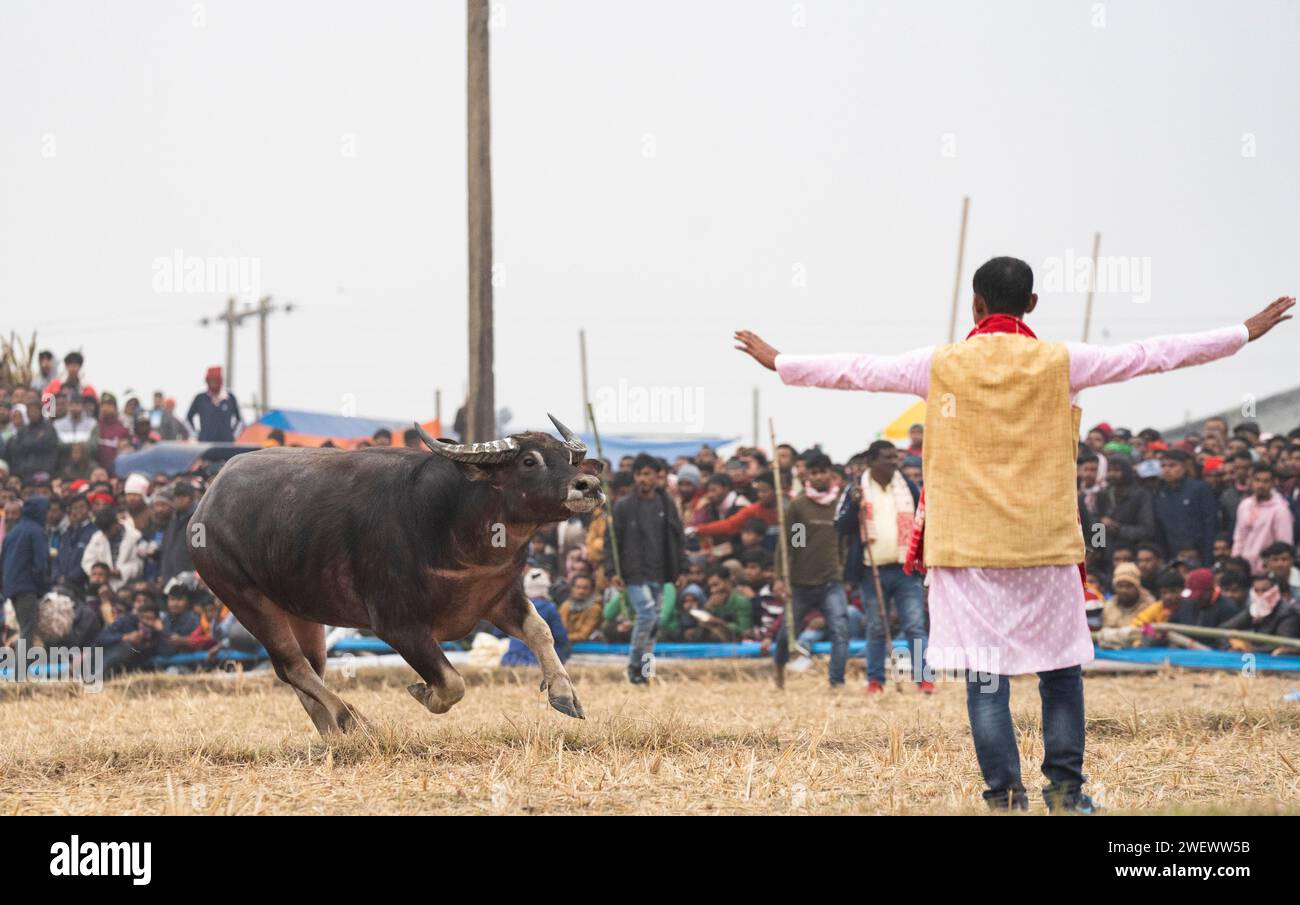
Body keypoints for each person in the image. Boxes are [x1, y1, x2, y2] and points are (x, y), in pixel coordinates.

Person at [738, 256, 1293, 813]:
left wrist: (781, 362)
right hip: (1043, 542)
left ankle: (1004, 797)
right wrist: (1241, 333)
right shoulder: (1062, 361)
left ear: (975, 305)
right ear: (1031, 305)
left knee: (986, 680)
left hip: (966, 548)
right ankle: (1065, 792)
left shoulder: (938, 365)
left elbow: (856, 369)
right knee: (1058, 672)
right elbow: (1153, 354)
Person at [835, 440, 926, 693]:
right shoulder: (855, 490)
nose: (894, 462)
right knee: (876, 627)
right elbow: (841, 527)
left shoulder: (906, 486)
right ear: (873, 461)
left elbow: (922, 518)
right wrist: (855, 506)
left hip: (906, 569)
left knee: (915, 625)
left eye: (895, 457)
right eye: (887, 458)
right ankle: (876, 680)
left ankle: (924, 678)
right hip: (870, 570)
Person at [604, 452, 687, 684]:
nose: (643, 479)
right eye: (639, 474)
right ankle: (633, 666)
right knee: (647, 614)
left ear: (656, 476)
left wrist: (682, 569)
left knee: (654, 624)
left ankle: (646, 672)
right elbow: (611, 541)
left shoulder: (666, 504)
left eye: (648, 474)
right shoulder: (623, 506)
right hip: (633, 573)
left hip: (660, 572)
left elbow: (678, 539)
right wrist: (612, 571)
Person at [771, 451, 850, 687]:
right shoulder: (800, 506)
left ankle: (836, 681)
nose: (818, 477)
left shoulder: (840, 505)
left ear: (830, 474)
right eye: (813, 473)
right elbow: (792, 544)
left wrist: (842, 568)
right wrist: (780, 578)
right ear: (807, 476)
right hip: (801, 583)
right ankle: (778, 668)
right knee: (786, 634)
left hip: (831, 582)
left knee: (840, 630)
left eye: (822, 472)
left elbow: (844, 542)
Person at [1153, 448, 1218, 567]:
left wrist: (1208, 558)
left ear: (1184, 467)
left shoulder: (1199, 489)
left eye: (1172, 465)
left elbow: (1210, 524)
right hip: (1173, 557)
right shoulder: (1159, 495)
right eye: (1163, 466)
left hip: (1199, 553)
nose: (1167, 470)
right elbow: (1160, 529)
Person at [0, 495, 52, 642]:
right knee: (27, 631)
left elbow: (2, 562)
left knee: (24, 629)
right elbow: (41, 564)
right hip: (27, 588)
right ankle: (22, 665)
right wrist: (43, 587)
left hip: (12, 588)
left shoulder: (13, 533)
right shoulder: (36, 531)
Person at [1231, 464, 1294, 573]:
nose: (1261, 485)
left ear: (1273, 483)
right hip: (1244, 567)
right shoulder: (1245, 505)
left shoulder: (1280, 510)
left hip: (1266, 570)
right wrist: (1235, 562)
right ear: (1251, 481)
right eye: (1257, 480)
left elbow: (1284, 545)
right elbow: (1239, 537)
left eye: (1266, 481)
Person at [186, 366, 243, 442]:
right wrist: (195, 435)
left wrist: (233, 435)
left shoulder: (230, 397)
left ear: (220, 381)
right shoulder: (200, 398)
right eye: (210, 381)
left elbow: (240, 420)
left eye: (215, 381)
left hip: (226, 445)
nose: (213, 383)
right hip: (205, 445)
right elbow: (188, 419)